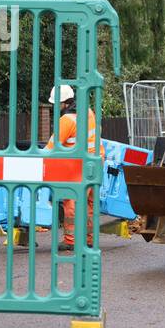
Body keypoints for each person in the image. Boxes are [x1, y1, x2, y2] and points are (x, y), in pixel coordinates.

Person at [44, 84, 104, 251]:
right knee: (89, 203)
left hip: (78, 166)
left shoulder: (67, 120)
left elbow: (51, 147)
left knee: (71, 202)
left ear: (63, 102)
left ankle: (71, 241)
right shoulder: (89, 112)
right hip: (96, 162)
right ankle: (89, 239)